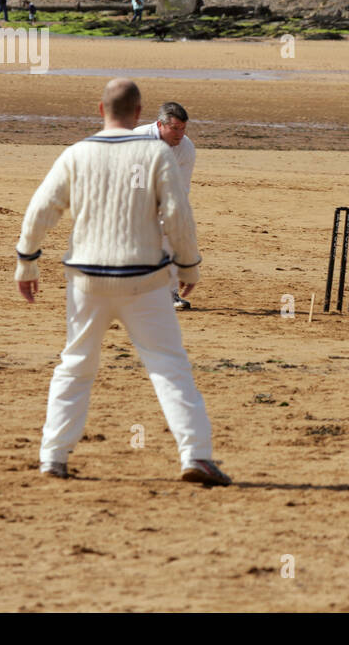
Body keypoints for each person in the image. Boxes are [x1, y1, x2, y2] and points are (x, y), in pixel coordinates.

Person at [14, 78, 230, 486]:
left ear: (101, 110)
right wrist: (190, 267)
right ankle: (196, 456)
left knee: (75, 366)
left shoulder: (77, 152)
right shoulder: (156, 154)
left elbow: (41, 208)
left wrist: (27, 261)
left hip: (87, 278)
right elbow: (178, 216)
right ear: (138, 113)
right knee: (169, 366)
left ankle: (53, 457)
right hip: (144, 279)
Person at [134, 102, 196, 311]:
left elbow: (180, 190)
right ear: (161, 125)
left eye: (183, 128)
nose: (180, 134)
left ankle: (169, 293)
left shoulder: (185, 148)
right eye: (175, 128)